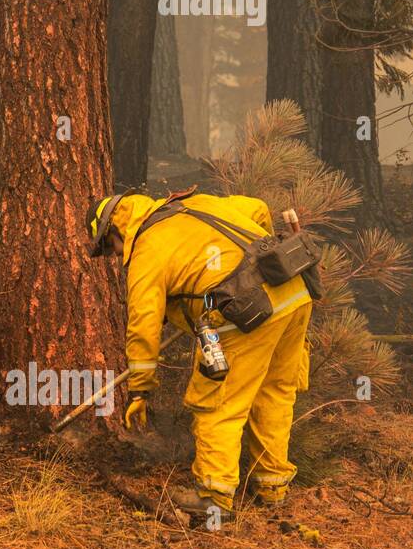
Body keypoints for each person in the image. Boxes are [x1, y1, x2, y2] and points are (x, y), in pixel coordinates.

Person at [87, 190, 317, 520]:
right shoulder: (196, 204)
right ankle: (271, 486)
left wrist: (140, 389)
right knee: (274, 393)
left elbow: (143, 324)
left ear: (116, 231)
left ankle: (215, 497)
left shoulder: (147, 248)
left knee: (219, 401)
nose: (115, 255)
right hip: (294, 291)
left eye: (110, 248)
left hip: (247, 311)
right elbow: (257, 208)